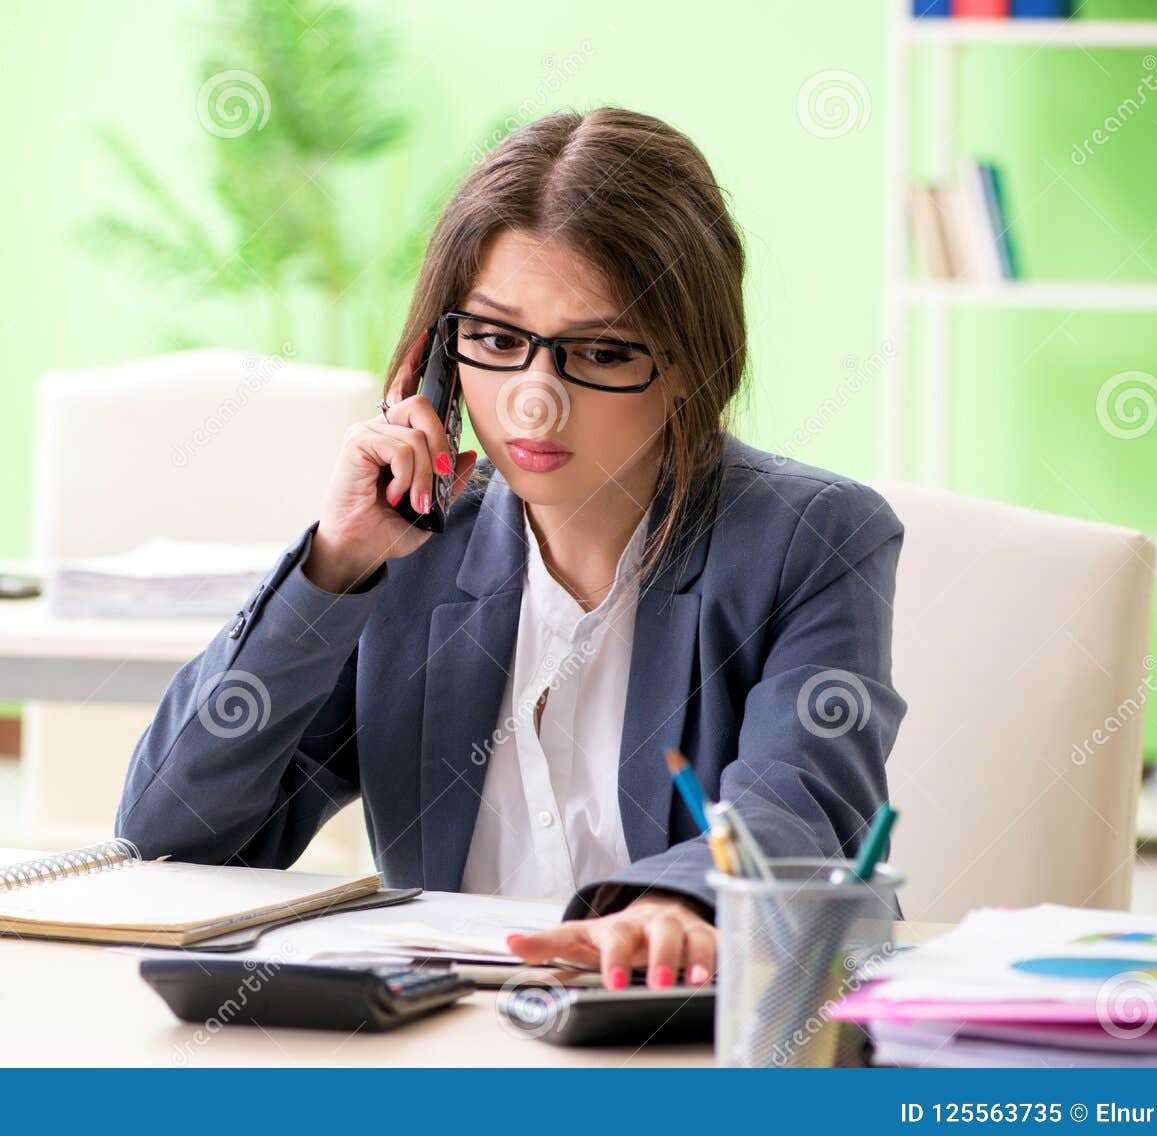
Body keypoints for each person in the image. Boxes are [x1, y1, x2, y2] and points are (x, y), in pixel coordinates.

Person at [117, 107, 905, 990]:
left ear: (690, 363)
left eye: (600, 352)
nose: (535, 402)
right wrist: (334, 564)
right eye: (495, 340)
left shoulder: (814, 541)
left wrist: (676, 909)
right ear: (435, 359)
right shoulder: (411, 552)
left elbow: (802, 811)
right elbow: (167, 837)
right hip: (447, 1045)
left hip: (683, 1048)